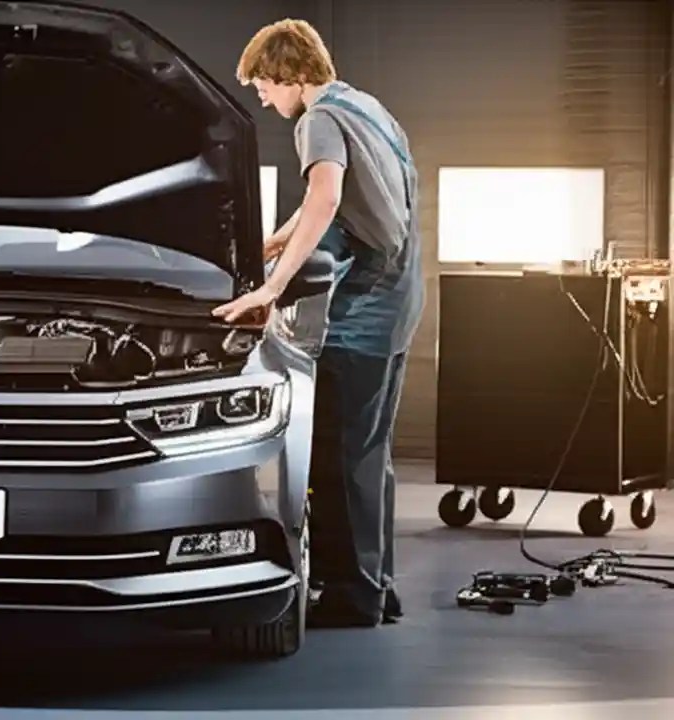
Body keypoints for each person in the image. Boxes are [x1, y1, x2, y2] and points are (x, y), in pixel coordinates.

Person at [213, 19, 423, 628]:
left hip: (365, 310)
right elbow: (319, 206)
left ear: (289, 76)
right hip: (401, 301)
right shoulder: (366, 106)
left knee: (336, 453)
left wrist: (271, 290)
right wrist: (268, 251)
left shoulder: (317, 120)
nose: (261, 96)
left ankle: (351, 596)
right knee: (371, 453)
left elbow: (327, 196)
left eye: (261, 85)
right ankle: (378, 586)